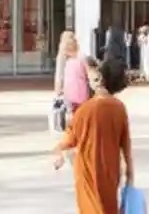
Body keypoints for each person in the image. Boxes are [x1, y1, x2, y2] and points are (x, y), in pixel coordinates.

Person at [53, 58, 135, 214]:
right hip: (110, 172)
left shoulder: (84, 110)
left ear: (101, 78)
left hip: (87, 172)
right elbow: (126, 146)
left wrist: (59, 153)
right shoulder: (119, 109)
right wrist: (130, 176)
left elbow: (69, 138)